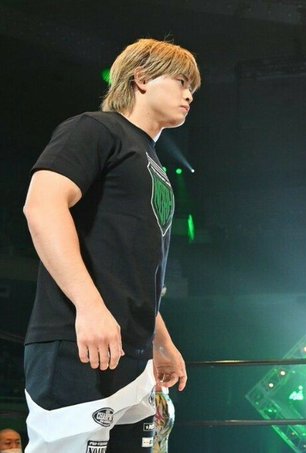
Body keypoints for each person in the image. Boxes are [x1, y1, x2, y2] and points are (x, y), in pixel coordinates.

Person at [22, 38, 200, 452]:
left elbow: (132, 265)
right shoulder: (95, 129)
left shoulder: (152, 160)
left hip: (131, 352)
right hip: (79, 340)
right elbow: (42, 206)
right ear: (141, 79)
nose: (189, 94)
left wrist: (160, 341)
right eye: (181, 81)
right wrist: (88, 306)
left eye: (193, 87)